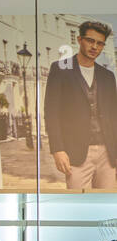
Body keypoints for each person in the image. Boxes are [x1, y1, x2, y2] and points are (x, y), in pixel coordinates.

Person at [44, 19, 117, 190]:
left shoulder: (107, 76)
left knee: (107, 203)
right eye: (90, 41)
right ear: (79, 40)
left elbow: (114, 116)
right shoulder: (60, 69)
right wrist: (57, 149)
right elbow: (51, 112)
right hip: (75, 152)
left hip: (108, 153)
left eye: (100, 43)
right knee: (76, 201)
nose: (95, 47)